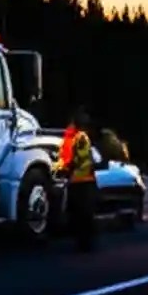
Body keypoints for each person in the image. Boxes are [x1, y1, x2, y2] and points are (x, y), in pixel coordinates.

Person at [57, 106, 100, 251]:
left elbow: (69, 159)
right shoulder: (80, 137)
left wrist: (65, 171)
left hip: (78, 181)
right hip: (84, 181)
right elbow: (83, 159)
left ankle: (83, 242)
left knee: (78, 214)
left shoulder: (72, 137)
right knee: (85, 214)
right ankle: (85, 243)